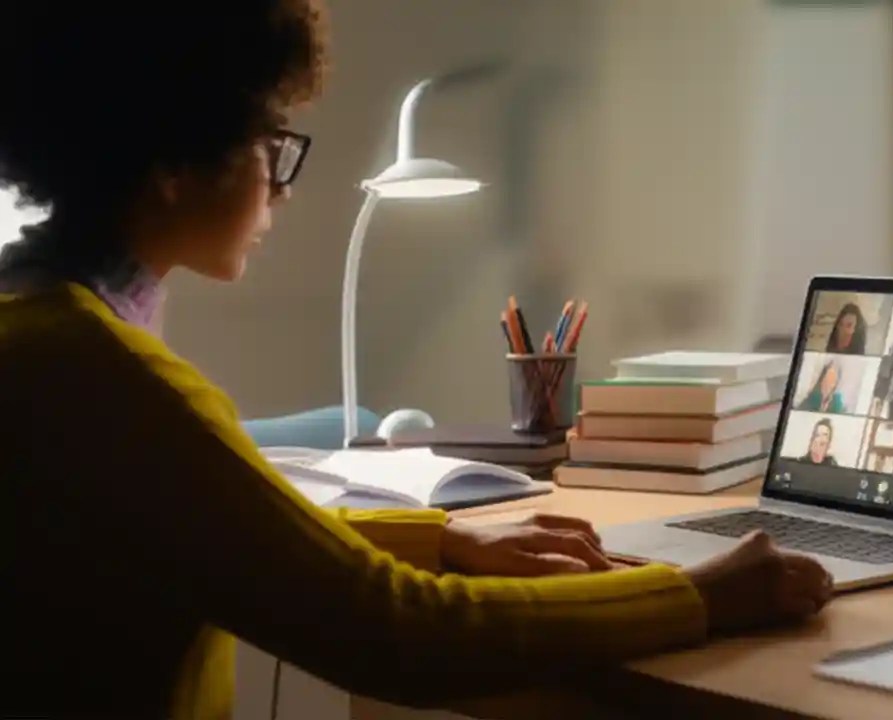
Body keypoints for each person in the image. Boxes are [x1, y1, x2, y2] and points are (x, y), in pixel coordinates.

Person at [0, 5, 833, 718]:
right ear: (174, 161)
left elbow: (217, 534)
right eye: (271, 144)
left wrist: (445, 543)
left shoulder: (37, 330)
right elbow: (398, 634)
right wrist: (701, 595)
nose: (281, 187)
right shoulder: (105, 382)